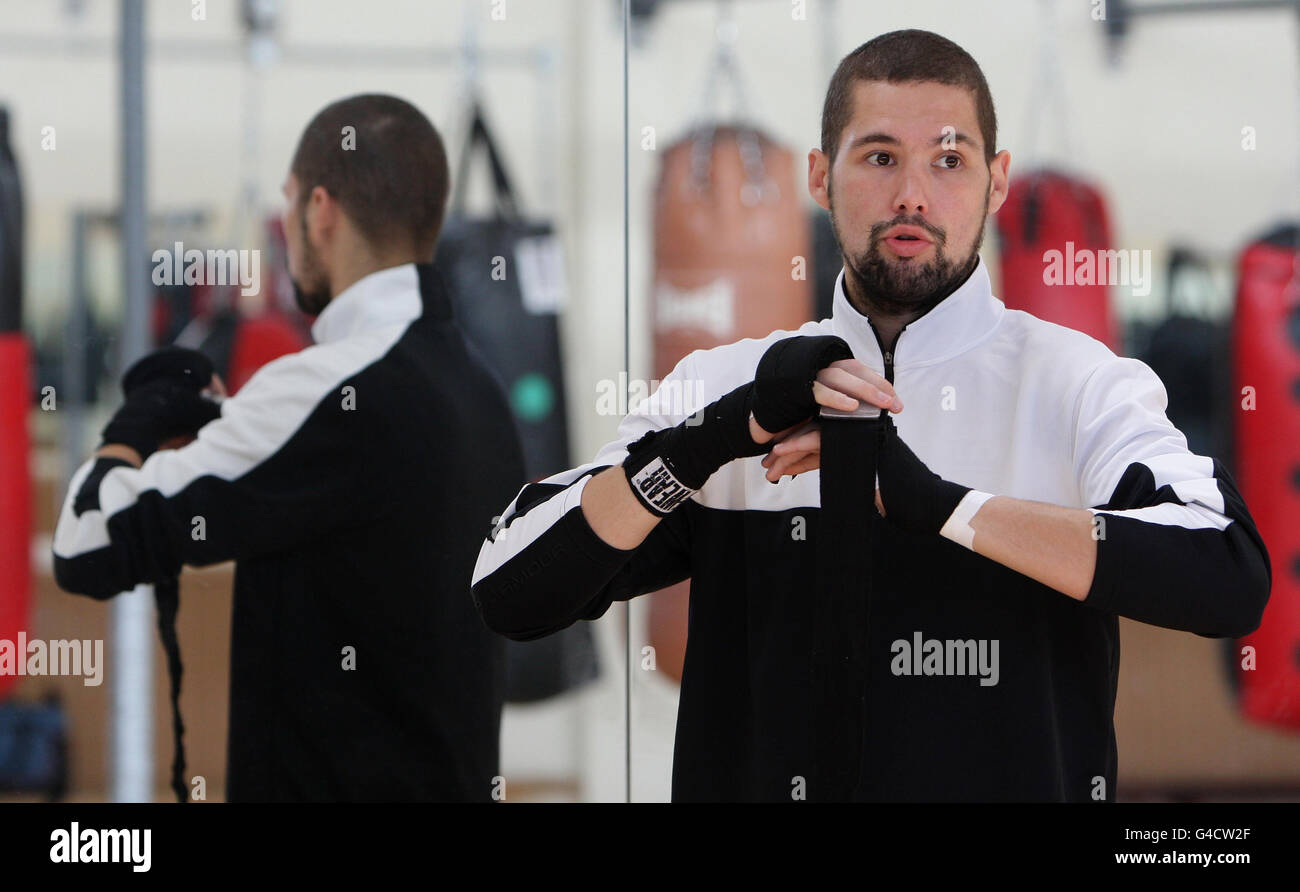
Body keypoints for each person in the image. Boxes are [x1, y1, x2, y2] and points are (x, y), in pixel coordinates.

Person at [471, 30, 1271, 802]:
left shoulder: (1076, 384)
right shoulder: (726, 386)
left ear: (997, 182)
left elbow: (1227, 573)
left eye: (948, 160)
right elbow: (509, 585)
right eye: (880, 157)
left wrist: (942, 505)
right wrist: (707, 442)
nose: (913, 194)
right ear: (821, 177)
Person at [53, 93, 525, 802]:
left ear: (321, 211)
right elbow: (333, 494)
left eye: (292, 204)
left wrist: (134, 427)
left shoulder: (321, 389)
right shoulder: (482, 392)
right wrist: (221, 423)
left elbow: (85, 542)